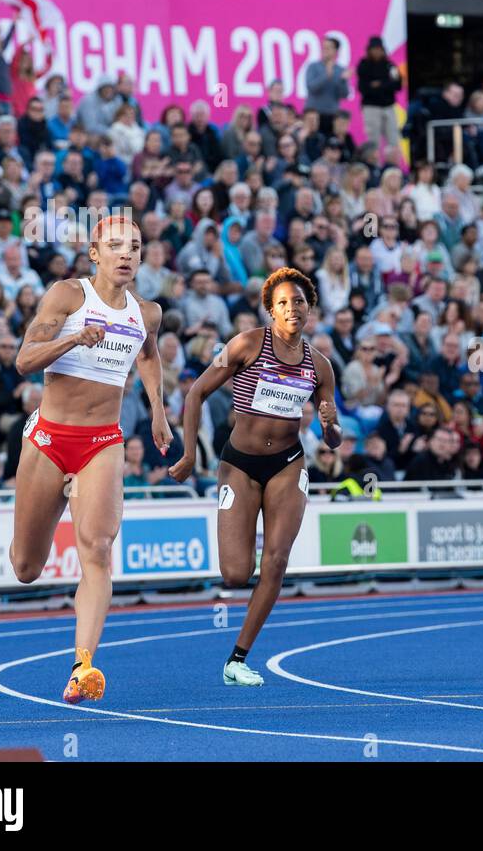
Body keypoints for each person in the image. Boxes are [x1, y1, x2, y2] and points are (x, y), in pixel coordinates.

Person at [8, 216, 171, 704]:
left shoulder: (148, 312)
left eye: (135, 247)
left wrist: (159, 414)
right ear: (95, 254)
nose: (127, 254)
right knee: (26, 567)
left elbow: (148, 356)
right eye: (115, 245)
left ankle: (83, 667)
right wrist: (73, 339)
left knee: (97, 550)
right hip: (49, 439)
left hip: (103, 441)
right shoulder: (68, 296)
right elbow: (24, 358)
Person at [169, 267, 340, 685]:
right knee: (234, 574)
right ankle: (237, 648)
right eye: (283, 302)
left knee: (277, 561)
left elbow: (332, 442)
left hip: (288, 463)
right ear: (270, 311)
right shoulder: (246, 344)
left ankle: (238, 659)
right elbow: (196, 393)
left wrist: (330, 426)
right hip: (239, 466)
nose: (292, 309)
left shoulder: (320, 367)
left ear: (309, 308)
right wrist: (189, 453)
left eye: (299, 301)